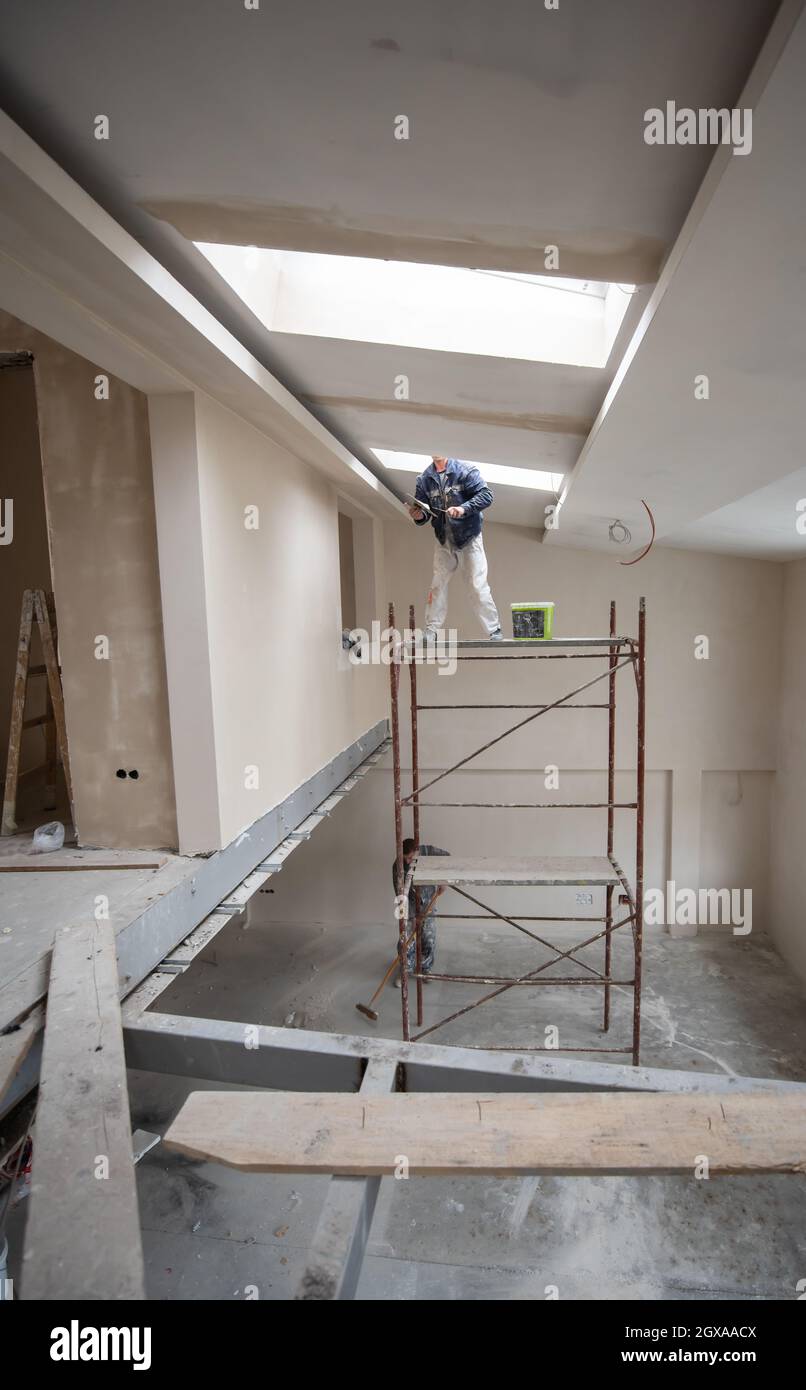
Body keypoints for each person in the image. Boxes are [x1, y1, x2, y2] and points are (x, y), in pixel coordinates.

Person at [408, 455, 503, 640]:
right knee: (437, 585)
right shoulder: (424, 479)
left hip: (469, 537)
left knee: (476, 585)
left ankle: (494, 629)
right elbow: (424, 514)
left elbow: (486, 495)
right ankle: (431, 630)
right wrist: (418, 515)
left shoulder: (465, 470)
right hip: (444, 539)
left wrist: (463, 508)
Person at [392, 837, 449, 983]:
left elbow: (448, 858)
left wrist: (443, 881)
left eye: (411, 858)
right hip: (409, 902)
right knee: (406, 938)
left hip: (428, 899)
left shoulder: (429, 852)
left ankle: (426, 969)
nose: (407, 862)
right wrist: (408, 916)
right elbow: (400, 893)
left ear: (417, 851)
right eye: (405, 858)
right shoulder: (397, 866)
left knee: (428, 937)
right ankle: (406, 969)